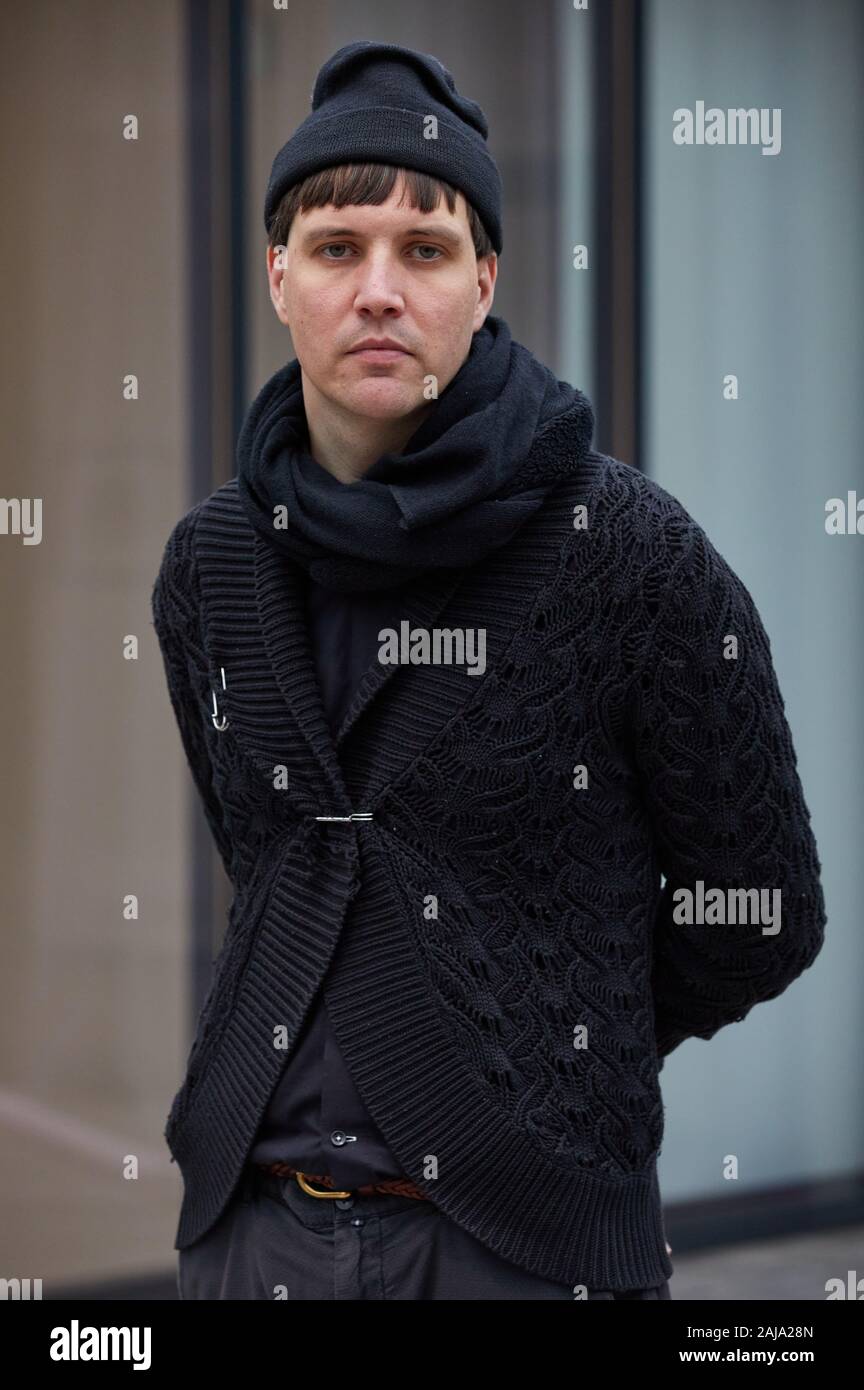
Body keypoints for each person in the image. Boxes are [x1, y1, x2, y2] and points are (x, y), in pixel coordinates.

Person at [151, 41, 826, 1300]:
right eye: (340, 248)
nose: (380, 291)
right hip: (249, 1236)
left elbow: (763, 909)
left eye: (427, 249)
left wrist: (550, 1038)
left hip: (521, 1254)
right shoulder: (211, 569)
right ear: (277, 275)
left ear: (487, 278)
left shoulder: (627, 556)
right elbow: (277, 868)